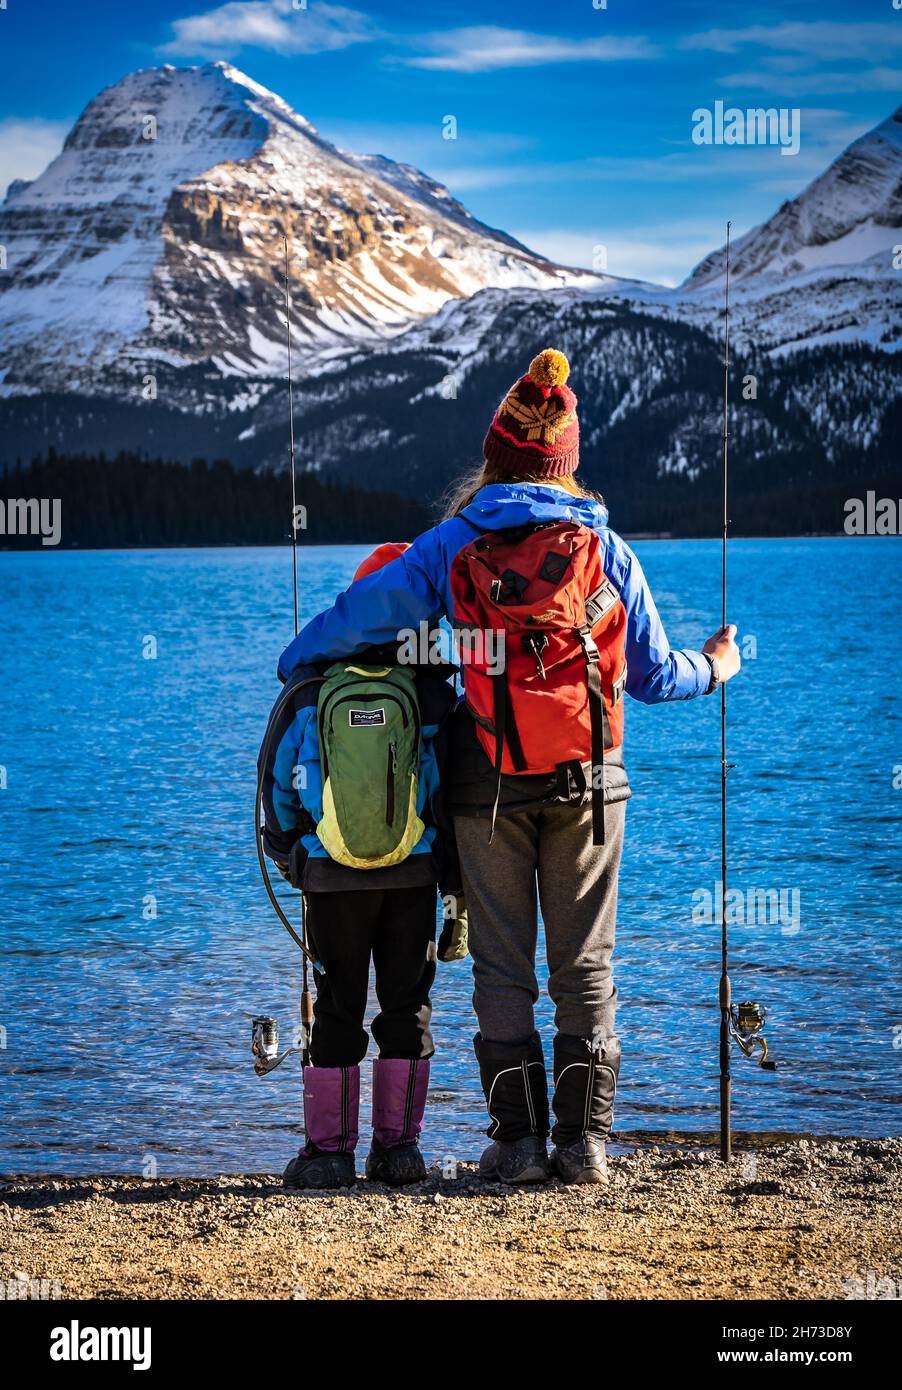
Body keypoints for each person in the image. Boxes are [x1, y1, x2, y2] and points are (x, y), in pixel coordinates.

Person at [277, 349, 741, 1186]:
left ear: (494, 455)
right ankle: (586, 1146)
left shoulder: (451, 543)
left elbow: (360, 616)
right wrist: (718, 666)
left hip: (483, 783)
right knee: (586, 965)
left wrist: (296, 660)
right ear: (564, 463)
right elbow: (655, 676)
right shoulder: (605, 547)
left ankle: (518, 1144)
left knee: (502, 967)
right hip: (592, 785)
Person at [259, 542, 466, 1190]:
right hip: (413, 878)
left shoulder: (310, 688)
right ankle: (399, 1152)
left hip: (333, 880)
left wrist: (297, 851)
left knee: (337, 1006)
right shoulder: (433, 694)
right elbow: (451, 794)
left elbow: (276, 790)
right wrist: (451, 874)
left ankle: (330, 1155)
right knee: (409, 1008)